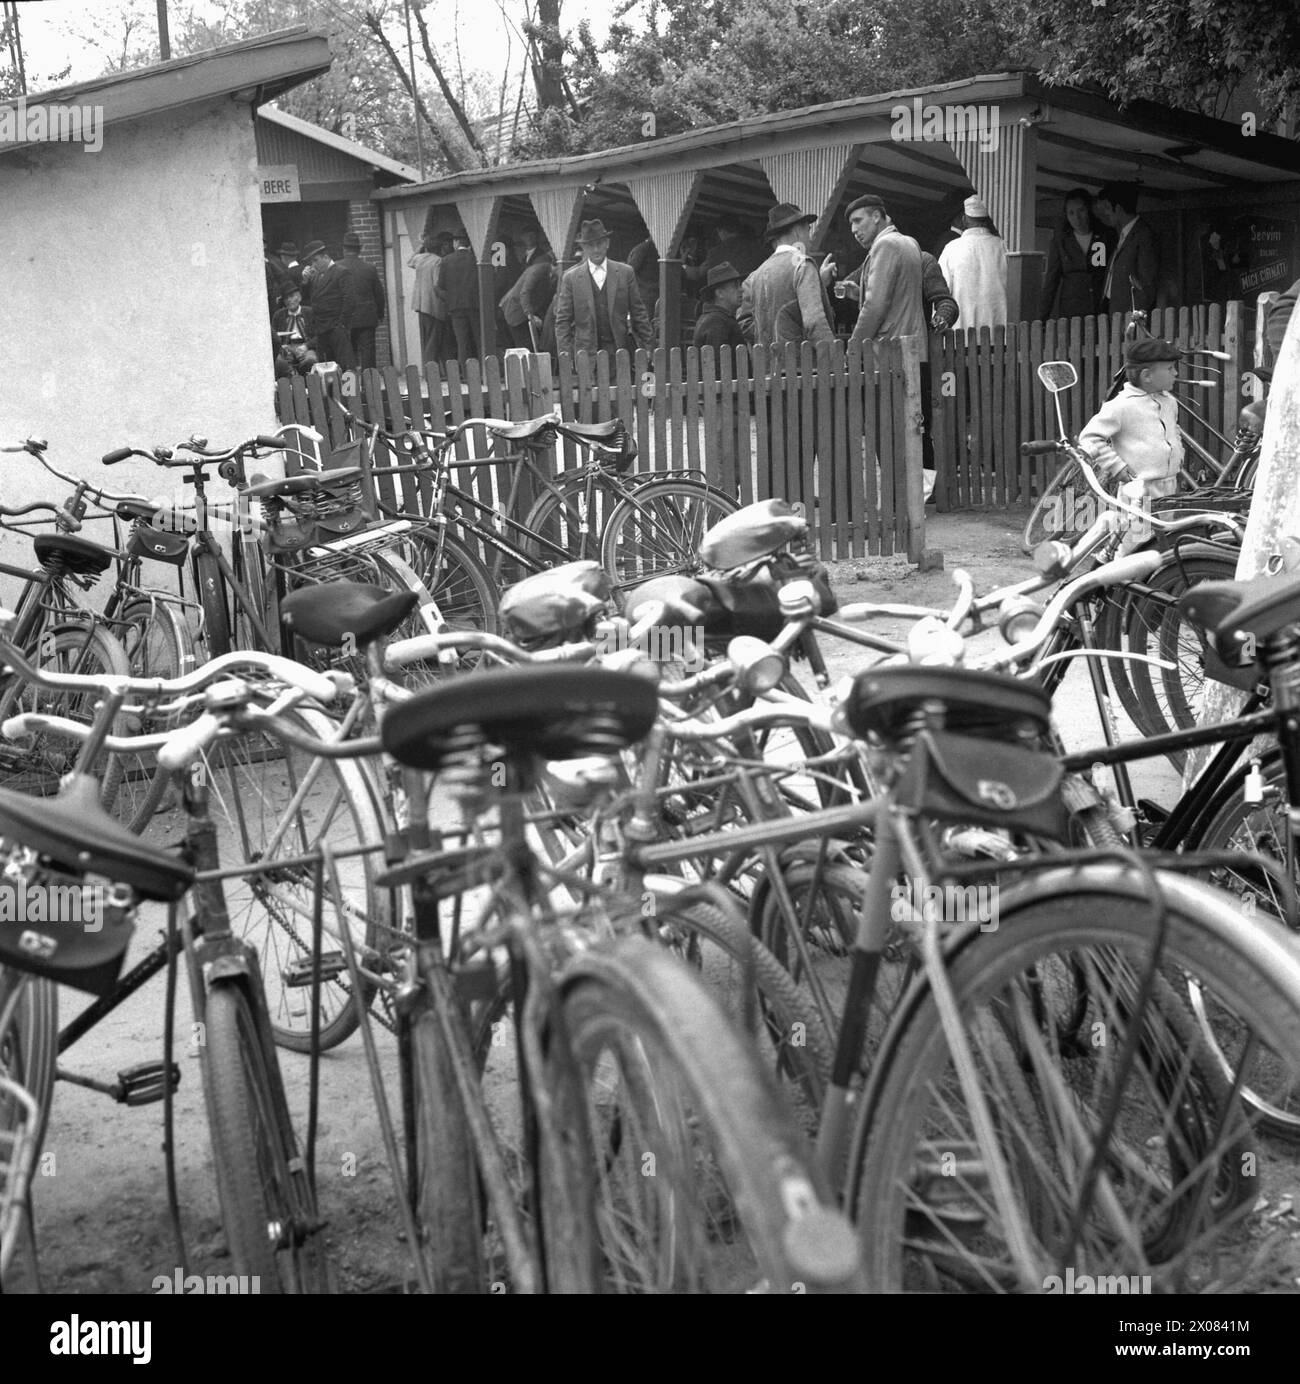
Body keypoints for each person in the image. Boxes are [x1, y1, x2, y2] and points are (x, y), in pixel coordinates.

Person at [1078, 337, 1183, 552]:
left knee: (1163, 545)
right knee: (1134, 546)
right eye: (1170, 368)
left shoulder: (1169, 402)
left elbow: (1175, 431)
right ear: (1147, 376)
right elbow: (1089, 438)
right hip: (1139, 491)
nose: (1176, 373)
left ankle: (1155, 582)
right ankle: (1122, 583)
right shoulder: (1120, 406)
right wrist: (1119, 468)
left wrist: (1178, 454)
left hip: (1169, 488)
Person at [737, 203, 835, 349]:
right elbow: (814, 322)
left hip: (767, 367)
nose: (809, 239)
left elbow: (744, 324)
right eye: (807, 231)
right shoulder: (803, 265)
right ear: (797, 232)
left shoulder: (754, 276)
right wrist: (836, 357)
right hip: (803, 366)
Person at [554, 219, 654, 357]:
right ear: (583, 248)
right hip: (585, 356)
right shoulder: (570, 278)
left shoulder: (625, 273)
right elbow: (563, 321)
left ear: (607, 243)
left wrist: (649, 346)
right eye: (590, 245)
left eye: (599, 243)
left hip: (618, 352)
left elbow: (639, 312)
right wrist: (566, 354)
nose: (596, 249)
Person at [845, 194, 924, 355]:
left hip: (890, 351)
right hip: (914, 346)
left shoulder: (884, 245)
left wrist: (853, 348)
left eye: (857, 220)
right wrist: (860, 294)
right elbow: (901, 296)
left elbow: (875, 307)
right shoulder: (909, 242)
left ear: (876, 216)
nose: (853, 230)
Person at [938, 194, 1007, 333]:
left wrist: (938, 327)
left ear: (964, 219)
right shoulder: (1004, 247)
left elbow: (941, 294)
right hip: (999, 334)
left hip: (961, 336)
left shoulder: (951, 249)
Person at [1041, 189, 1112, 321]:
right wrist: (1042, 318)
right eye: (1071, 213)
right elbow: (1051, 281)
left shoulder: (1106, 235)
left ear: (1090, 210)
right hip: (1072, 313)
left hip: (1100, 310)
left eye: (1081, 211)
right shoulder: (1060, 241)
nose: (1077, 218)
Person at [1093, 181, 1159, 315]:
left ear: (1118, 208)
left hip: (1127, 318)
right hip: (1112, 313)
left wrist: (1132, 320)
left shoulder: (1143, 235)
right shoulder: (1122, 234)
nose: (1105, 213)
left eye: (1107, 207)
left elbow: (1146, 286)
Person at [301, 238, 355, 372]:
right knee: (326, 367)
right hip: (321, 329)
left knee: (345, 363)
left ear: (325, 257)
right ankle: (332, 393)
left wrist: (342, 324)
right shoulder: (315, 277)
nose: (313, 265)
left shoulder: (341, 272)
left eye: (315, 260)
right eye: (311, 262)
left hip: (336, 327)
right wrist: (305, 282)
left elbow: (349, 300)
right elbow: (308, 300)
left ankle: (350, 392)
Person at [499, 227, 555, 349]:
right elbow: (525, 292)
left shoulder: (550, 273)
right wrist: (531, 316)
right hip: (516, 310)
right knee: (524, 347)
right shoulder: (538, 270)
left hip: (527, 310)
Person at [340, 231, 385, 371]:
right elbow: (379, 294)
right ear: (359, 249)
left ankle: (349, 389)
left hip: (345, 319)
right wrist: (380, 314)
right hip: (367, 317)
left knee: (348, 356)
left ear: (344, 249)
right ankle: (369, 388)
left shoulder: (336, 268)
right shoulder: (369, 268)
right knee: (368, 354)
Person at [437, 230, 481, 365]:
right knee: (479, 339)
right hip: (475, 305)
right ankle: (483, 372)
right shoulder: (476, 259)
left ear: (456, 243)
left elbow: (441, 285)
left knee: (462, 342)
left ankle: (465, 374)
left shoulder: (446, 260)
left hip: (455, 306)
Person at [692, 262, 745, 352]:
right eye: (735, 286)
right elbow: (719, 362)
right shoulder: (716, 322)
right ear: (720, 293)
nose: (741, 289)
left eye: (740, 285)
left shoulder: (719, 318)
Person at [271, 283, 317, 379]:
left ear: (299, 298)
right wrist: (282, 348)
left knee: (311, 360)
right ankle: (290, 384)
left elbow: (319, 336)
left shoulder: (310, 312)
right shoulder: (278, 315)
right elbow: (273, 336)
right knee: (279, 363)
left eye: (292, 296)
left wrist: (306, 346)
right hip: (286, 347)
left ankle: (308, 384)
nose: (289, 300)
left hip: (306, 346)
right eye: (286, 298)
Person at [702, 216, 766, 282]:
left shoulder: (716, 252)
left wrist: (690, 269)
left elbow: (700, 273)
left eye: (718, 232)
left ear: (721, 231)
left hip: (731, 290)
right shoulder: (758, 248)